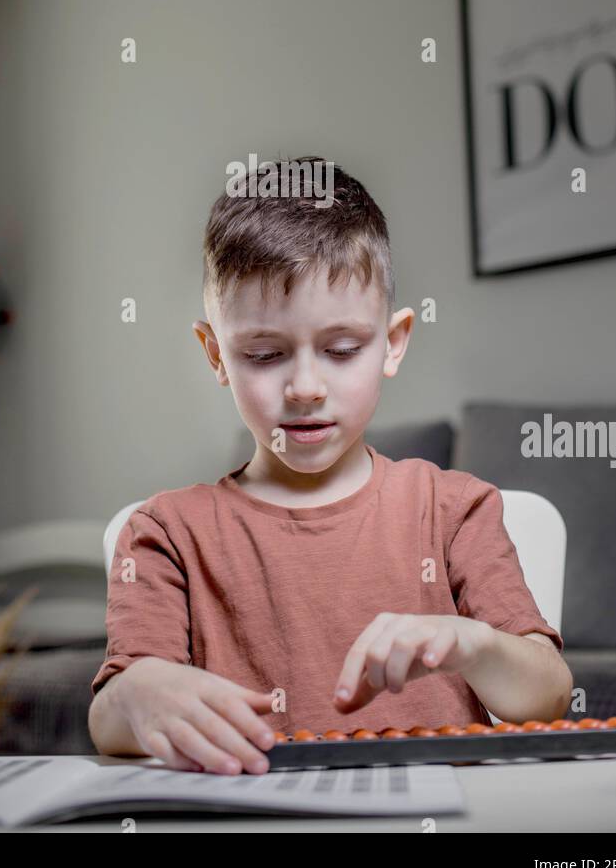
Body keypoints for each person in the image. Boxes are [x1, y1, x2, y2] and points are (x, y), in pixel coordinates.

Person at [88, 156, 572, 774]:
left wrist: (473, 644)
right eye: (264, 354)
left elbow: (549, 696)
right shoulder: (164, 533)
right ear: (215, 354)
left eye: (342, 350)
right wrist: (138, 694)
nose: (306, 387)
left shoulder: (456, 510)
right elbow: (109, 719)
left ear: (392, 343)